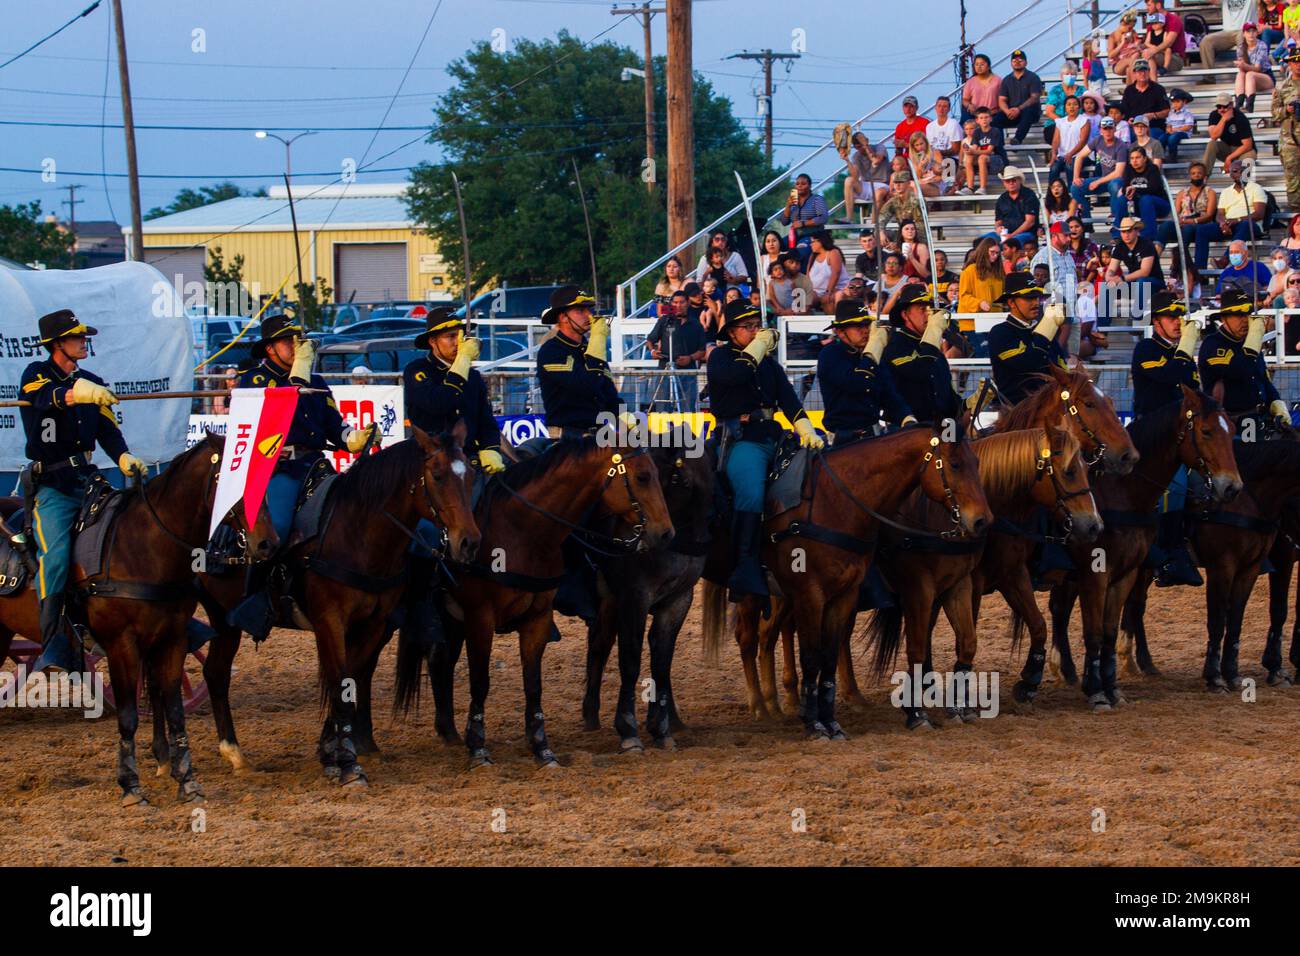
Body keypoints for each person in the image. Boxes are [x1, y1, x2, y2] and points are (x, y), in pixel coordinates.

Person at [227, 312, 378, 639]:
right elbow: (276, 415)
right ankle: (253, 600)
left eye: (297, 340)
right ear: (270, 349)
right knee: (274, 529)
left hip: (315, 466)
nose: (295, 346)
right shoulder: (255, 380)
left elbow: (333, 423)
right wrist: (297, 379)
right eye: (286, 341)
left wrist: (352, 437)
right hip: (276, 468)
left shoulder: (316, 382)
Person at [19, 310, 147, 673]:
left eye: (83, 336)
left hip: (88, 479)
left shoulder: (92, 380)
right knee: (56, 557)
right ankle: (54, 642)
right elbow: (44, 397)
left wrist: (122, 455)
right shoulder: (35, 375)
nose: (83, 342)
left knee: (129, 533)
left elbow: (107, 430)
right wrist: (78, 393)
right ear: (57, 344)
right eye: (76, 337)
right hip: (53, 486)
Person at [707, 300, 821, 601]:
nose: (756, 332)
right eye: (748, 327)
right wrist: (757, 348)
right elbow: (737, 376)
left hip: (774, 435)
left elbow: (789, 400)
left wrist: (805, 427)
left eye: (758, 326)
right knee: (751, 491)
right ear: (732, 332)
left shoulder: (769, 364)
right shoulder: (720, 357)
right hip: (742, 439)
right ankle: (745, 566)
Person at [1131, 290, 1203, 587]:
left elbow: (1194, 388)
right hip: (1151, 438)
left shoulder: (1180, 354)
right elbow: (1169, 377)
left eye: (1180, 317)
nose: (1177, 323)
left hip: (1180, 437)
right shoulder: (1147, 349)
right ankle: (1168, 555)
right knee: (1175, 485)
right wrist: (1185, 349)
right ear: (1156, 321)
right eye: (1171, 317)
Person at [404, 306, 504, 472]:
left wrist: (491, 449)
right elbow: (439, 403)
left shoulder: (473, 376)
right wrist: (463, 359)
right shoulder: (417, 370)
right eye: (450, 336)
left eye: (461, 336)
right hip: (431, 463)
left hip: (469, 459)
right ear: (432, 341)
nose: (458, 342)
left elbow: (486, 422)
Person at [817, 300, 914, 444]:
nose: (866, 330)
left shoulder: (874, 357)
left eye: (867, 325)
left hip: (873, 436)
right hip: (843, 441)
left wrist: (908, 419)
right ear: (840, 332)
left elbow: (889, 395)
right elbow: (858, 383)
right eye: (858, 326)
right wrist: (874, 348)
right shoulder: (830, 354)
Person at [536, 285, 623, 438]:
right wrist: (597, 340)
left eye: (589, 310)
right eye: (580, 311)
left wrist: (634, 425)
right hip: (567, 439)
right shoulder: (551, 351)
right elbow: (587, 385)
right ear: (563, 317)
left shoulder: (588, 349)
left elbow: (609, 395)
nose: (589, 316)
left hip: (599, 436)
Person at [1198, 287, 1287, 431]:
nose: (1245, 320)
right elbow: (1240, 370)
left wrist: (1276, 401)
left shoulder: (1249, 342)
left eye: (1247, 314)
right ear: (1223, 318)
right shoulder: (1213, 345)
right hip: (1233, 423)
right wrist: (1253, 342)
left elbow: (1262, 377)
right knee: (1249, 451)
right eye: (1239, 315)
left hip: (1260, 419)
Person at [880, 284, 963, 424]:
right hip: (907, 429)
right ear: (905, 315)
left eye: (931, 310)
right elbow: (918, 370)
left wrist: (970, 403)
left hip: (940, 428)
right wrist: (934, 333)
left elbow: (946, 394)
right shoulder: (895, 343)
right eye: (922, 309)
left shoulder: (933, 347)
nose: (929, 314)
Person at [988, 272, 1069, 404]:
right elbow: (1029, 362)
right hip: (1014, 411)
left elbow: (1061, 369)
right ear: (1011, 303)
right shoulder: (1000, 332)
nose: (1035, 302)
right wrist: (1048, 324)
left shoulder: (1044, 330)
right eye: (1028, 298)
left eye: (1036, 297)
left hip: (1049, 407)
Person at [646, 290, 709, 411]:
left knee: (687, 408)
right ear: (671, 304)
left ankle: (686, 430)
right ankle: (662, 430)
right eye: (675, 302)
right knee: (662, 407)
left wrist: (690, 358)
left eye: (681, 302)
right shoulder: (664, 321)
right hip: (664, 368)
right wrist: (653, 352)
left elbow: (702, 351)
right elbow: (650, 339)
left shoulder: (696, 324)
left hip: (687, 370)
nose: (678, 305)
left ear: (688, 303)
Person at [1070, 116, 1130, 231]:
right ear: (1100, 130)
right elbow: (1079, 156)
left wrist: (1098, 181)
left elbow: (1118, 173)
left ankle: (1115, 219)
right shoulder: (1097, 140)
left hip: (1118, 180)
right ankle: (1086, 222)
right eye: (1105, 128)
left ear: (1114, 129)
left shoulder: (1121, 145)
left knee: (1115, 184)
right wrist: (1076, 177)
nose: (1107, 131)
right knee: (1075, 187)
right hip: (1104, 179)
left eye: (1110, 128)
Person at [1160, 160, 1220, 268]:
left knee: (1188, 228)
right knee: (1165, 226)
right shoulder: (1182, 193)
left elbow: (1210, 214)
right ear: (1190, 176)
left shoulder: (1210, 192)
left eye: (1199, 173)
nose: (1196, 175)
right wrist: (1179, 221)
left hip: (1200, 224)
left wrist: (1192, 221)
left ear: (1204, 175)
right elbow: (1175, 213)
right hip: (1183, 223)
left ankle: (1178, 258)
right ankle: (1156, 253)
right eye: (1193, 173)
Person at [1105, 216, 1165, 319]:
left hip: (1154, 283)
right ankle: (1102, 328)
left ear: (1136, 231)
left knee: (1142, 282)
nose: (1126, 235)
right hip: (1136, 283)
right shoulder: (1120, 246)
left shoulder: (1146, 244)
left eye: (1129, 231)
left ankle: (1138, 317)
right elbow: (1111, 268)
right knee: (1106, 288)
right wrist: (1109, 277)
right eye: (1123, 232)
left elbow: (1145, 272)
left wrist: (1121, 279)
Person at [1216, 158, 1268, 250]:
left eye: (1242, 171)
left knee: (1244, 224)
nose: (1240, 174)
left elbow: (1259, 214)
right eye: (1235, 171)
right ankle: (1198, 264)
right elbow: (1220, 214)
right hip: (1229, 225)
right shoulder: (1225, 192)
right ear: (1231, 174)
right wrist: (1222, 223)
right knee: (1202, 230)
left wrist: (1237, 220)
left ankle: (1224, 260)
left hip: (1250, 225)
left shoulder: (1256, 188)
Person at [996, 48, 1045, 144]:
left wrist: (1019, 109)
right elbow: (1001, 100)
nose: (1017, 62)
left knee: (1028, 112)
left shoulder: (1033, 77)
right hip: (1012, 113)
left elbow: (1034, 97)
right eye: (1014, 60)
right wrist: (1007, 111)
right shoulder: (1007, 80)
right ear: (1011, 63)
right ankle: (998, 146)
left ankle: (1017, 139)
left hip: (1029, 112)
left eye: (1020, 60)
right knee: (996, 120)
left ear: (1026, 62)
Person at [1198, 0, 1262, 75]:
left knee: (1242, 36)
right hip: (1226, 32)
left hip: (1245, 30)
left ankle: (1247, 73)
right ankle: (1208, 78)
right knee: (1206, 41)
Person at [779, 174, 829, 268]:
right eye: (797, 184)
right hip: (794, 235)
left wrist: (803, 223)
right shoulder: (793, 202)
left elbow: (823, 217)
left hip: (811, 234)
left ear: (809, 186)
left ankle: (801, 275)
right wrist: (788, 206)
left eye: (803, 183)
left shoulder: (817, 199)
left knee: (800, 251)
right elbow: (784, 222)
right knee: (777, 245)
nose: (800, 186)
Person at [1122, 145, 1171, 241]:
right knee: (1121, 200)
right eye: (1132, 158)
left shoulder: (1153, 169)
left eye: (1137, 157)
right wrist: (1127, 190)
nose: (1134, 161)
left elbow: (1154, 189)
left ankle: (1148, 237)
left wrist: (1135, 190)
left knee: (1146, 199)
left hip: (1159, 205)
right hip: (1140, 206)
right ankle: (1119, 235)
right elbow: (1124, 188)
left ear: (1144, 159)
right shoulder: (1128, 169)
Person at [1203, 92, 1257, 173]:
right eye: (1218, 106)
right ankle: (1203, 178)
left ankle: (1243, 183)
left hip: (1243, 150)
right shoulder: (1214, 115)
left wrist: (1229, 158)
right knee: (1211, 144)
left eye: (1224, 106)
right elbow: (1214, 136)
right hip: (1227, 147)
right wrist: (1223, 119)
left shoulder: (1240, 117)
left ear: (1231, 104)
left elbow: (1247, 145)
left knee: (1248, 159)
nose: (1221, 109)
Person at [1120, 60, 1171, 144]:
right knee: (1125, 137)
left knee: (1151, 138)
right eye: (1139, 71)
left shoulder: (1158, 89)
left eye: (1145, 70)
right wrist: (1128, 120)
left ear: (1149, 72)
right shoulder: (1129, 90)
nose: (1142, 73)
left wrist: (1153, 115)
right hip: (1134, 126)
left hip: (1153, 126)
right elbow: (1123, 111)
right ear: (1134, 74)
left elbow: (1167, 111)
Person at [841, 132, 889, 220]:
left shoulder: (879, 147)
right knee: (848, 180)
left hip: (883, 184)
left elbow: (876, 161)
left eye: (862, 145)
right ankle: (848, 217)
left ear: (867, 141)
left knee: (878, 194)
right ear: (855, 147)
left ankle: (874, 225)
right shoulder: (856, 156)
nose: (862, 148)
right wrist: (847, 160)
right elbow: (855, 176)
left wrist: (866, 147)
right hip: (866, 185)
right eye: (859, 147)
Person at [1273, 48, 1300, 208]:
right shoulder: (1282, 88)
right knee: (1293, 183)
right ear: (1289, 64)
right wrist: (1286, 110)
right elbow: (1275, 115)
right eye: (1295, 61)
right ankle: (1297, 220)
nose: (1298, 65)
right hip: (1291, 142)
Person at [1048, 93, 1091, 184]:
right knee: (1054, 168)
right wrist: (1054, 153)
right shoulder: (1060, 121)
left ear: (1079, 107)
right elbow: (1056, 140)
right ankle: (1051, 193)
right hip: (1062, 155)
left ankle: (1072, 193)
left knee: (1070, 167)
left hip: (1079, 154)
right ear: (1065, 108)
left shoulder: (1084, 120)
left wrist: (1071, 154)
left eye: (1075, 104)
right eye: (1069, 104)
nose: (1072, 107)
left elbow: (1083, 141)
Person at [1234, 21, 1276, 113]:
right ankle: (1238, 105)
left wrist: (1244, 65)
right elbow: (1243, 69)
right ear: (1244, 34)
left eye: (1253, 31)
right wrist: (1241, 66)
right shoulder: (1241, 47)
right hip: (1249, 80)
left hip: (1265, 77)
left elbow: (1258, 68)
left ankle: (1249, 106)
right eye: (1248, 32)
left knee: (1250, 74)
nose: (1251, 34)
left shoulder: (1262, 45)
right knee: (1240, 74)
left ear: (1257, 33)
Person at [1214, 239, 1273, 303]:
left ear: (1246, 253)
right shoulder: (1226, 273)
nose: (1233, 255)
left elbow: (1269, 288)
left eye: (1236, 252)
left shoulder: (1259, 267)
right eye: (1231, 252)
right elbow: (1218, 295)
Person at [991, 166, 1039, 244]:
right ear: (1004, 183)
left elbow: (1030, 222)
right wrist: (998, 228)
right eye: (1007, 181)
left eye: (1013, 180)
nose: (1011, 183)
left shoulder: (1029, 195)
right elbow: (998, 221)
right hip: (1006, 234)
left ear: (1019, 180)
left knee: (1012, 242)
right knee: (983, 240)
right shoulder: (1002, 199)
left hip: (1026, 234)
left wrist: (1012, 235)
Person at [807, 230, 849, 314]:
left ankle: (835, 324)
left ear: (821, 242)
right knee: (801, 298)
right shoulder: (812, 256)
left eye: (813, 242)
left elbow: (835, 273)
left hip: (835, 289)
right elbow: (807, 276)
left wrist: (828, 292)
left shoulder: (833, 252)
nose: (810, 244)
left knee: (827, 299)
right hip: (816, 291)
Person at [1142, 0, 1187, 76]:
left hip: (1174, 58)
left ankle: (1154, 86)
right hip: (1156, 54)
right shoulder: (1152, 22)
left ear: (1158, 5)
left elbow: (1168, 42)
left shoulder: (1173, 20)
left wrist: (1153, 50)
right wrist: (1137, 47)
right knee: (1135, 56)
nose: (1146, 8)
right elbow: (1147, 42)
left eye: (1149, 5)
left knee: (1148, 56)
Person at [961, 52, 1001, 122]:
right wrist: (969, 106)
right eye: (976, 64)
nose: (979, 67)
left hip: (992, 114)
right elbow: (965, 100)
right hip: (975, 115)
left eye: (982, 64)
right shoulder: (970, 82)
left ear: (988, 66)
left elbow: (1002, 98)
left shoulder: (997, 80)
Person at [1164, 88, 1196, 163]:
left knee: (1172, 138)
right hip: (1173, 132)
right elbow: (1168, 124)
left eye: (1177, 102)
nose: (1175, 104)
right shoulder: (1171, 113)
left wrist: (1175, 130)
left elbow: (1188, 126)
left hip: (1183, 132)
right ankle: (1161, 157)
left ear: (1184, 102)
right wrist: (1168, 129)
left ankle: (1173, 156)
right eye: (1173, 102)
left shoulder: (1187, 113)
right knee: (1162, 138)